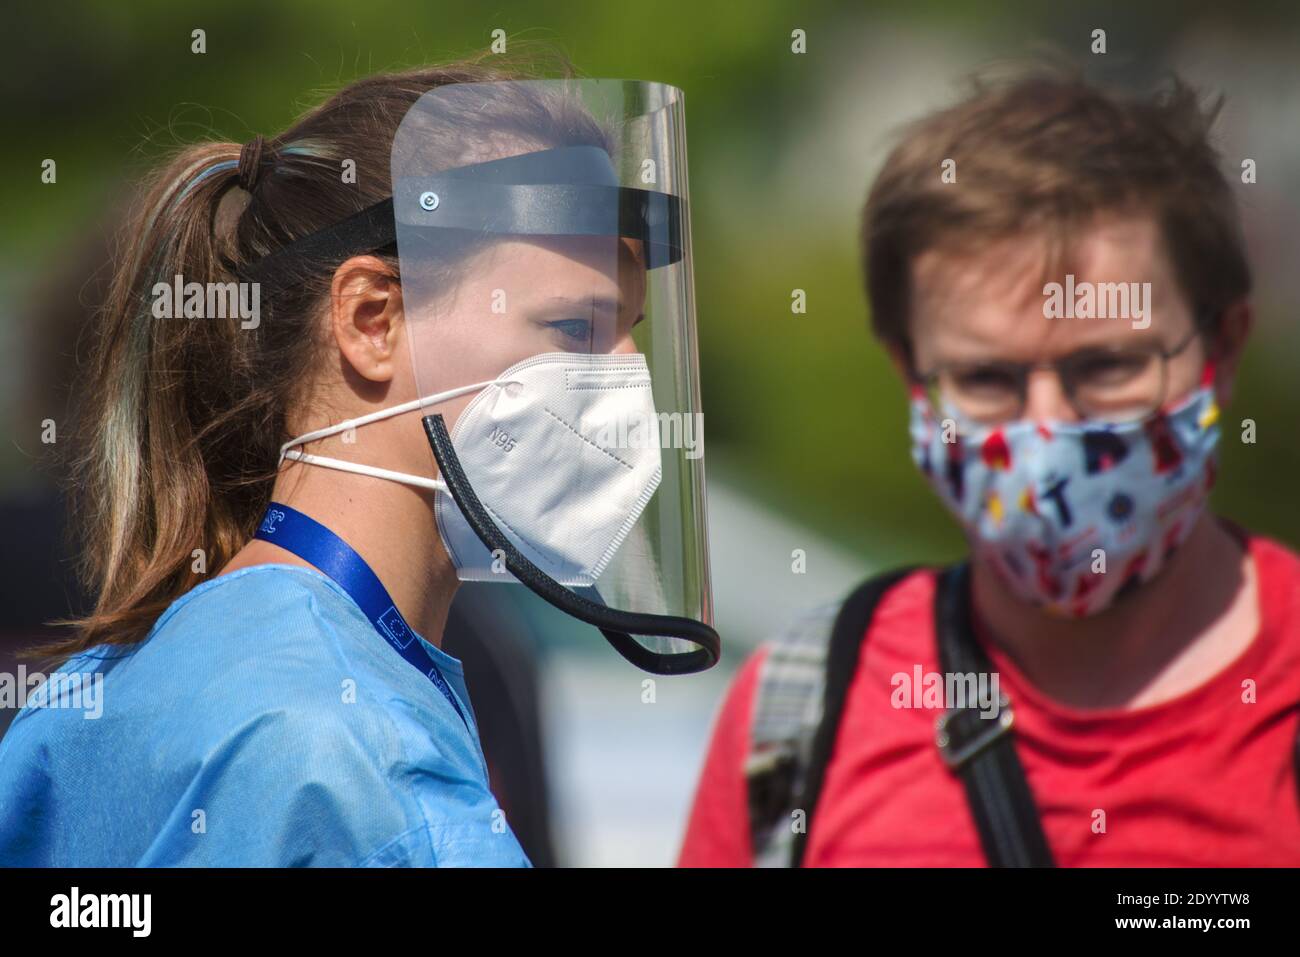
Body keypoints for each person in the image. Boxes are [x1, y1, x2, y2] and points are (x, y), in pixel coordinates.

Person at [0, 59, 718, 866]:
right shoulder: (370, 771)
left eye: (630, 330)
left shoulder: (81, 707)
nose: (626, 380)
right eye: (573, 328)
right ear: (371, 319)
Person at [679, 65, 1300, 867]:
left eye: (1108, 366)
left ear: (1222, 348)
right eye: (986, 380)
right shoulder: (799, 712)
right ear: (912, 376)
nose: (1048, 435)